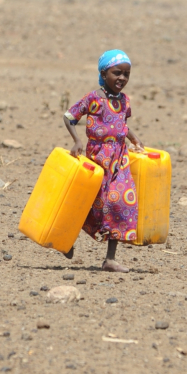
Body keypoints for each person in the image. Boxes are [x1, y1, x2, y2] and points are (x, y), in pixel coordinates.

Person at [63, 49, 145, 272]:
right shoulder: (93, 98)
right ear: (104, 73)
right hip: (97, 157)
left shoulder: (125, 100)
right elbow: (69, 117)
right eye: (117, 73)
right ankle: (65, 240)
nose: (122, 78)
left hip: (119, 159)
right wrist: (77, 141)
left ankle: (110, 259)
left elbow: (121, 124)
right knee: (89, 204)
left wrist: (134, 138)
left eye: (126, 74)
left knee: (120, 203)